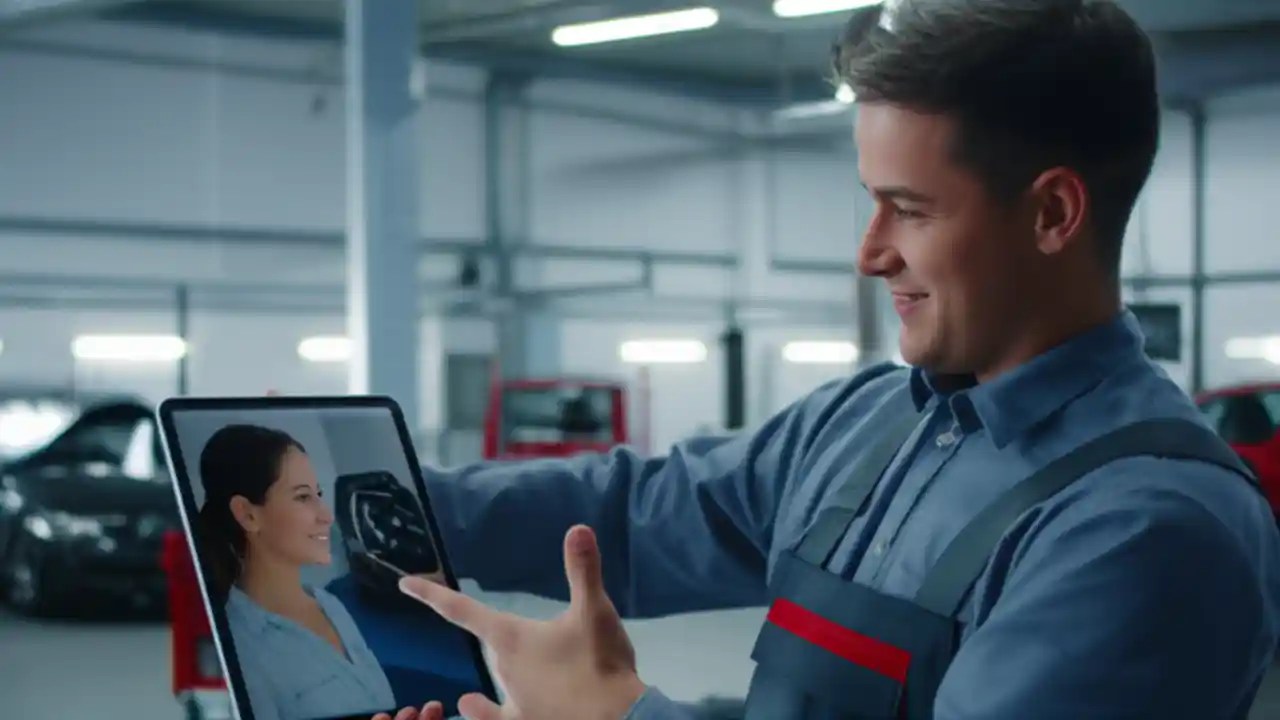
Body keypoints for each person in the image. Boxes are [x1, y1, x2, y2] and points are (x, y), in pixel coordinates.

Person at [382, 1, 1280, 719]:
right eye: (870, 202)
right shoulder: (869, 423)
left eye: (910, 209)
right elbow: (633, 516)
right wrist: (358, 506)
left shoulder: (1149, 528)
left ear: (1051, 215)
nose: (869, 252)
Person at [196, 424, 406, 720]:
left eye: (317, 494)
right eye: (303, 497)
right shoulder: (242, 641)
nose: (327, 515)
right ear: (248, 514)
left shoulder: (331, 605)